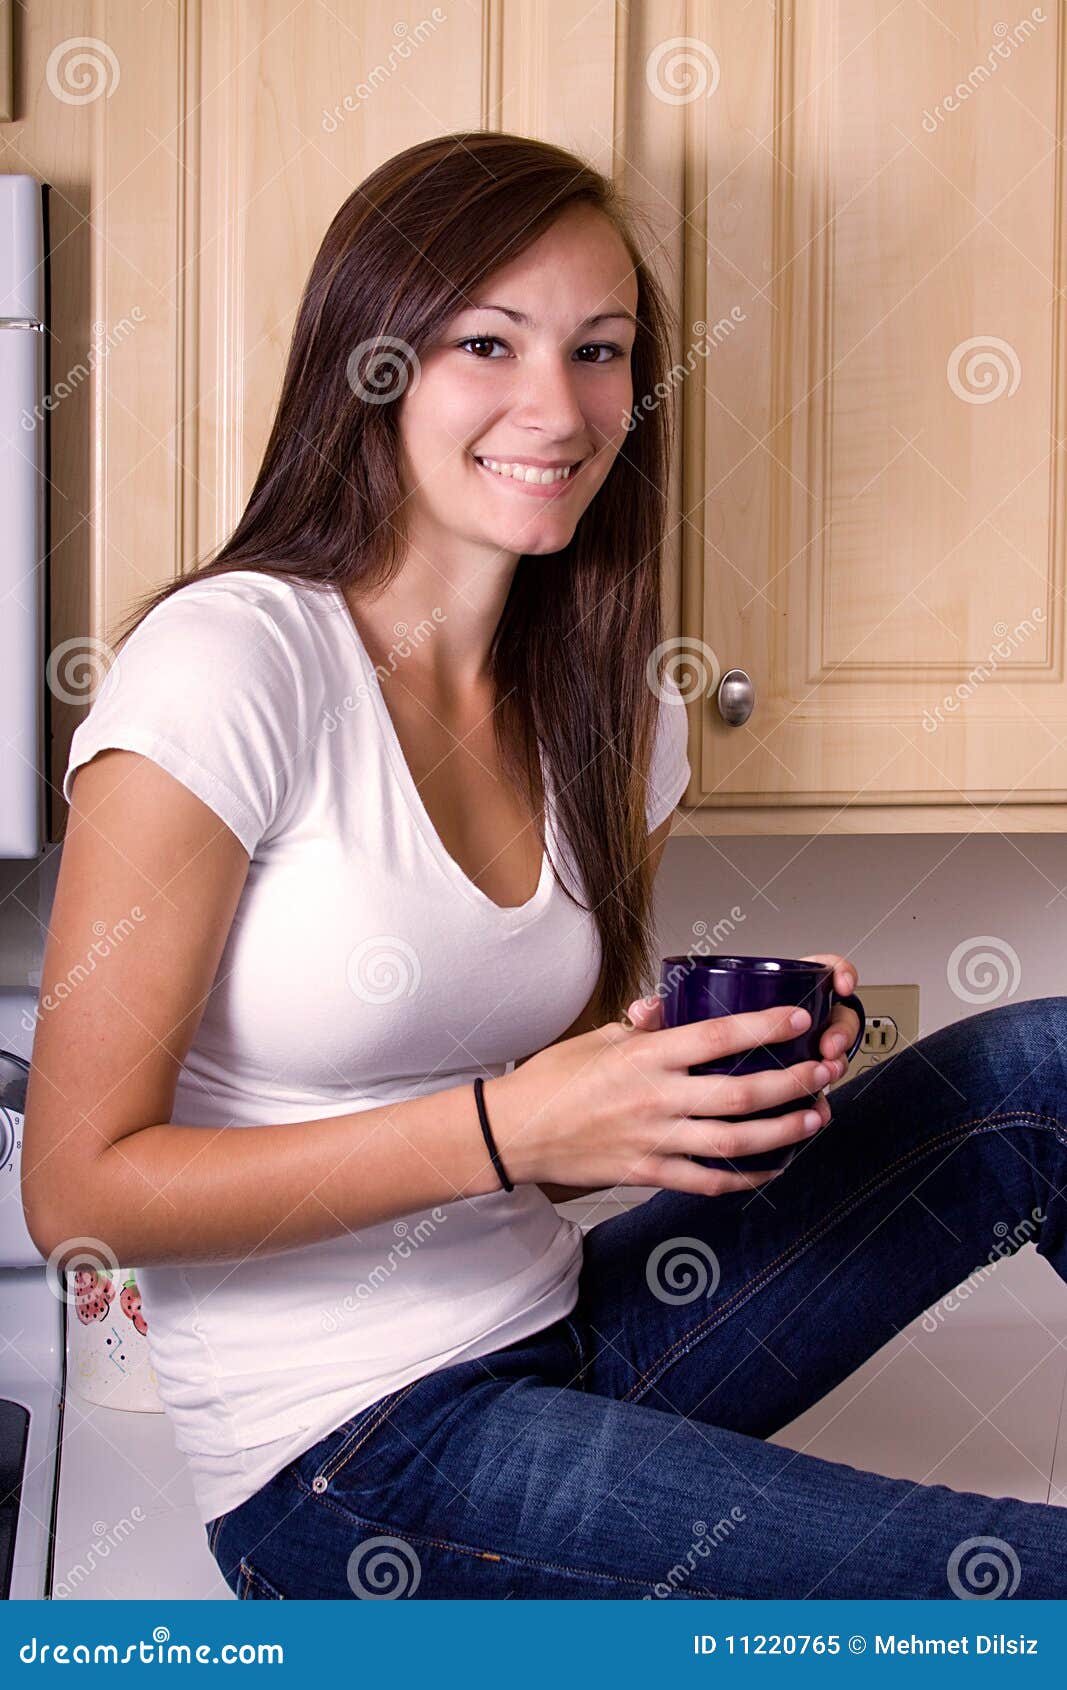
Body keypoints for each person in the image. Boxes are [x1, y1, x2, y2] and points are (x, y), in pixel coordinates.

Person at [22, 131, 1067, 1601]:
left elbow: (546, 1091)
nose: (557, 405)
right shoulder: (229, 665)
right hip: (349, 1464)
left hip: (571, 1334)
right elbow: (77, 1194)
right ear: (370, 364)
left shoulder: (611, 699)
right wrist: (514, 1130)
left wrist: (700, 1088)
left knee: (1041, 1072)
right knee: (1025, 1578)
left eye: (599, 350)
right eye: (486, 342)